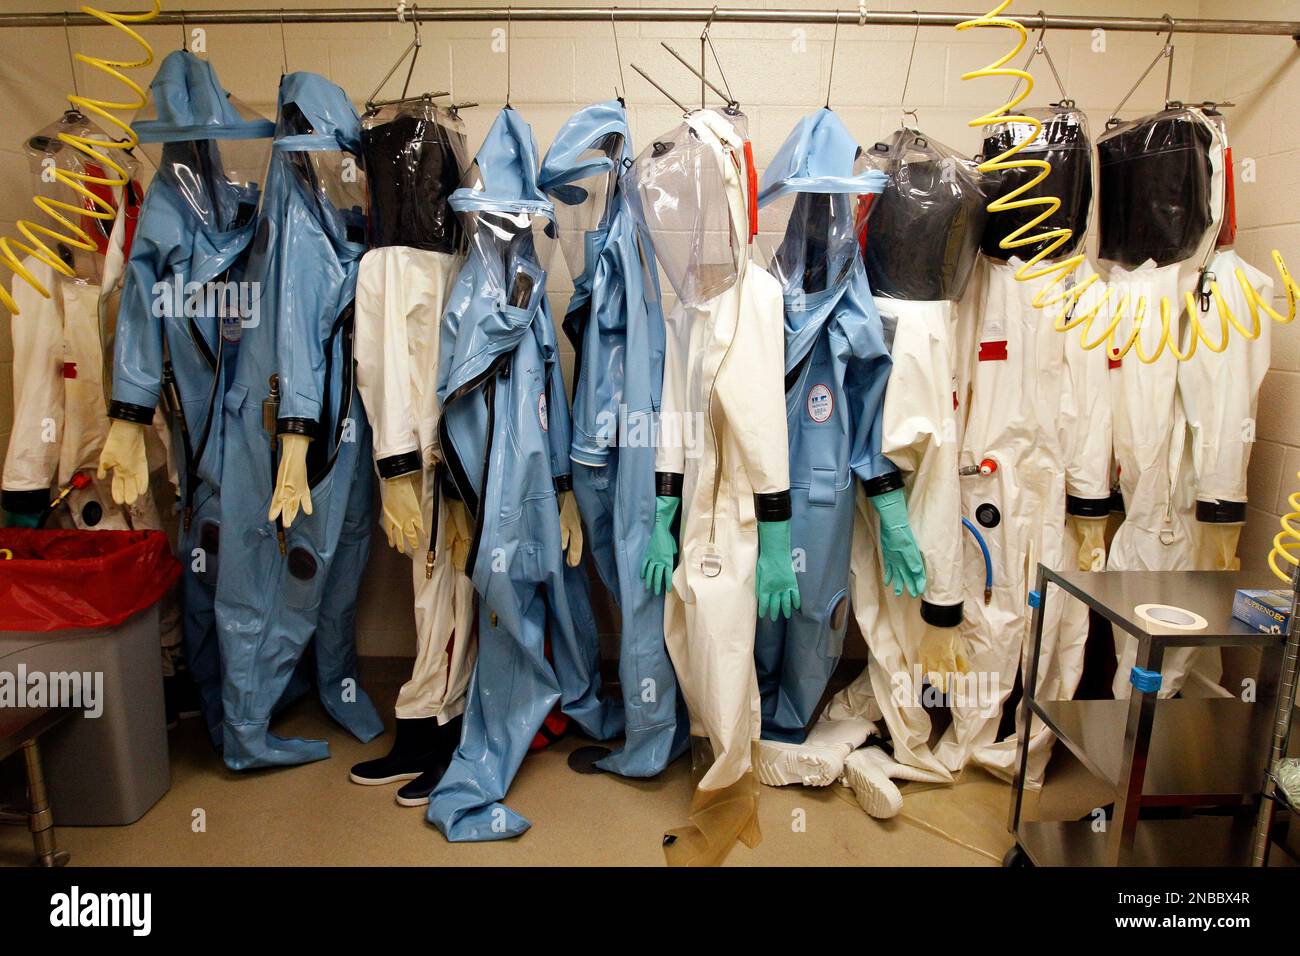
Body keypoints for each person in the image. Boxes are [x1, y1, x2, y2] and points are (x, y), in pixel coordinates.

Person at [426, 107, 622, 842]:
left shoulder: (524, 285)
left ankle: (575, 707)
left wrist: (566, 492)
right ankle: (474, 785)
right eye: (506, 219)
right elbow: (456, 406)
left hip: (538, 487)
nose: (516, 230)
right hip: (503, 497)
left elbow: (552, 396)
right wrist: (470, 505)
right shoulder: (480, 296)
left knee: (566, 603)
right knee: (515, 624)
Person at [630, 109, 797, 865]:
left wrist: (778, 533)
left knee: (724, 649)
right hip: (696, 496)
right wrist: (663, 510)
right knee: (690, 640)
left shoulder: (756, 295)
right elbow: (671, 408)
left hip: (735, 504)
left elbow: (763, 422)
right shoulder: (688, 301)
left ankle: (728, 801)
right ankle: (722, 763)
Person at [214, 70, 384, 769]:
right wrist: (294, 446)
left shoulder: (318, 221)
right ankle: (247, 735)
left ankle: (336, 681)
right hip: (299, 439)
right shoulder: (296, 241)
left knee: (343, 562)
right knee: (284, 578)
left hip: (343, 433)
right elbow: (295, 350)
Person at [539, 99, 689, 778]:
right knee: (633, 594)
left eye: (579, 195)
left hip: (634, 447)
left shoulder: (634, 240)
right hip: (618, 449)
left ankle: (650, 744)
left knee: (639, 595)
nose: (574, 216)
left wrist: (601, 458)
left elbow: (632, 363)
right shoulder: (617, 241)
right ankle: (654, 725)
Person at [347, 98, 478, 806]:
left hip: (448, 459)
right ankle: (420, 727)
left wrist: (451, 476)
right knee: (430, 595)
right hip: (418, 458)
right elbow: (382, 368)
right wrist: (398, 469)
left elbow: (459, 370)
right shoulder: (388, 268)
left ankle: (445, 735)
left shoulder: (453, 262)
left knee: (449, 597)